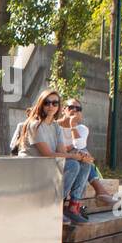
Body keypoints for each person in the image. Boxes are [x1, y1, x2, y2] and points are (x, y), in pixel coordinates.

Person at [14, 88, 91, 224]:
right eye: (47, 103)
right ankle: (54, 207)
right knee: (72, 164)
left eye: (55, 103)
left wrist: (79, 155)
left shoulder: (55, 126)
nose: (51, 106)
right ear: (41, 104)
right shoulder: (35, 125)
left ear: (58, 106)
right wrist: (73, 157)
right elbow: (47, 154)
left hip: (49, 163)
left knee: (85, 164)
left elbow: (62, 151)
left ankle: (73, 206)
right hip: (34, 164)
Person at [58, 99, 118, 205]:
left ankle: (75, 204)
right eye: (71, 107)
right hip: (59, 160)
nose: (75, 110)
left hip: (76, 160)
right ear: (63, 109)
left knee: (84, 156)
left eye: (78, 109)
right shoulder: (54, 126)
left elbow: (79, 146)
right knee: (83, 156)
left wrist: (73, 125)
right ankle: (99, 191)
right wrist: (71, 149)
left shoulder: (82, 129)